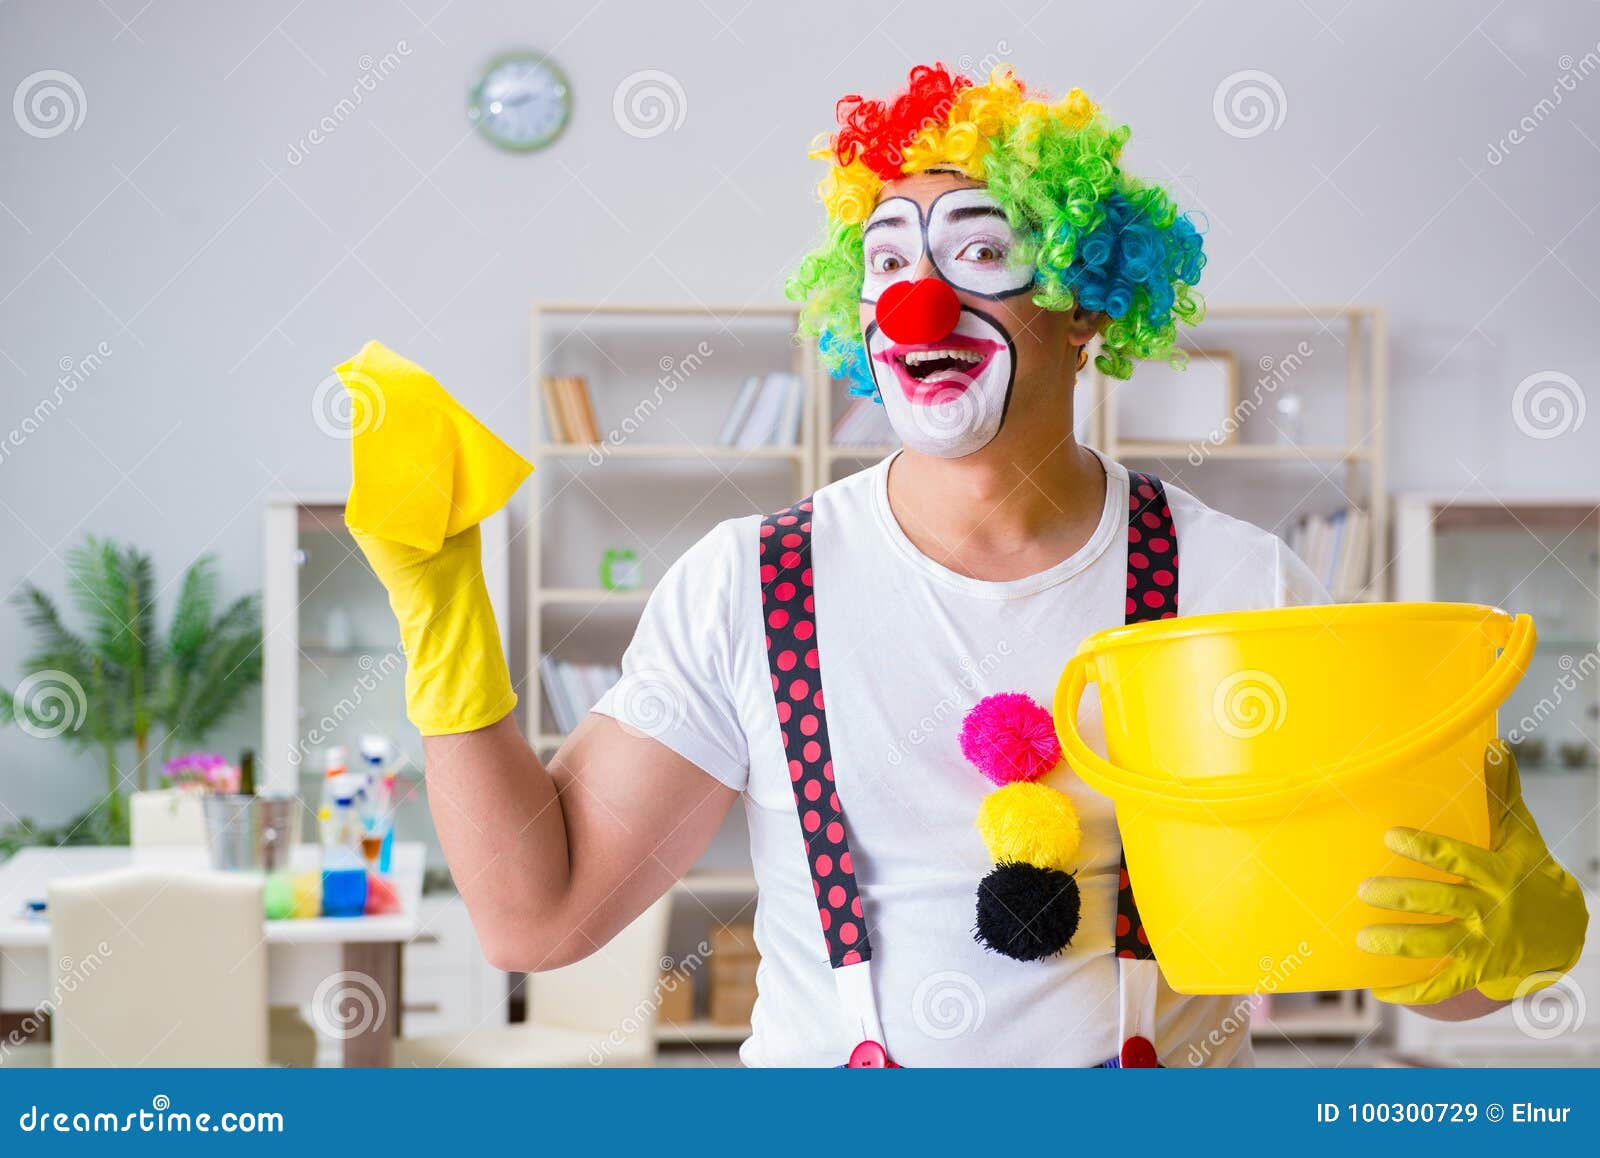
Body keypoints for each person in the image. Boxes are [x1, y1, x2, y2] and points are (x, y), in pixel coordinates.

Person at [347, 64, 1587, 1067]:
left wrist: (1503, 947)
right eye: (889, 263)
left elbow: (1415, 962)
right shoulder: (748, 585)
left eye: (980, 257)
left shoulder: (1240, 589)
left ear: (1087, 304)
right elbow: (535, 918)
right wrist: (442, 604)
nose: (917, 306)